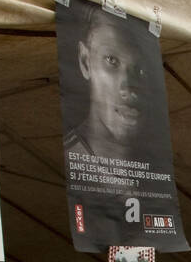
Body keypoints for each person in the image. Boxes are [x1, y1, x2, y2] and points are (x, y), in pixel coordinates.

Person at [64, 9, 154, 161]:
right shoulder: (64, 160)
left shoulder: (158, 166)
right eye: (111, 61)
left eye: (141, 70)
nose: (128, 89)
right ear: (85, 61)